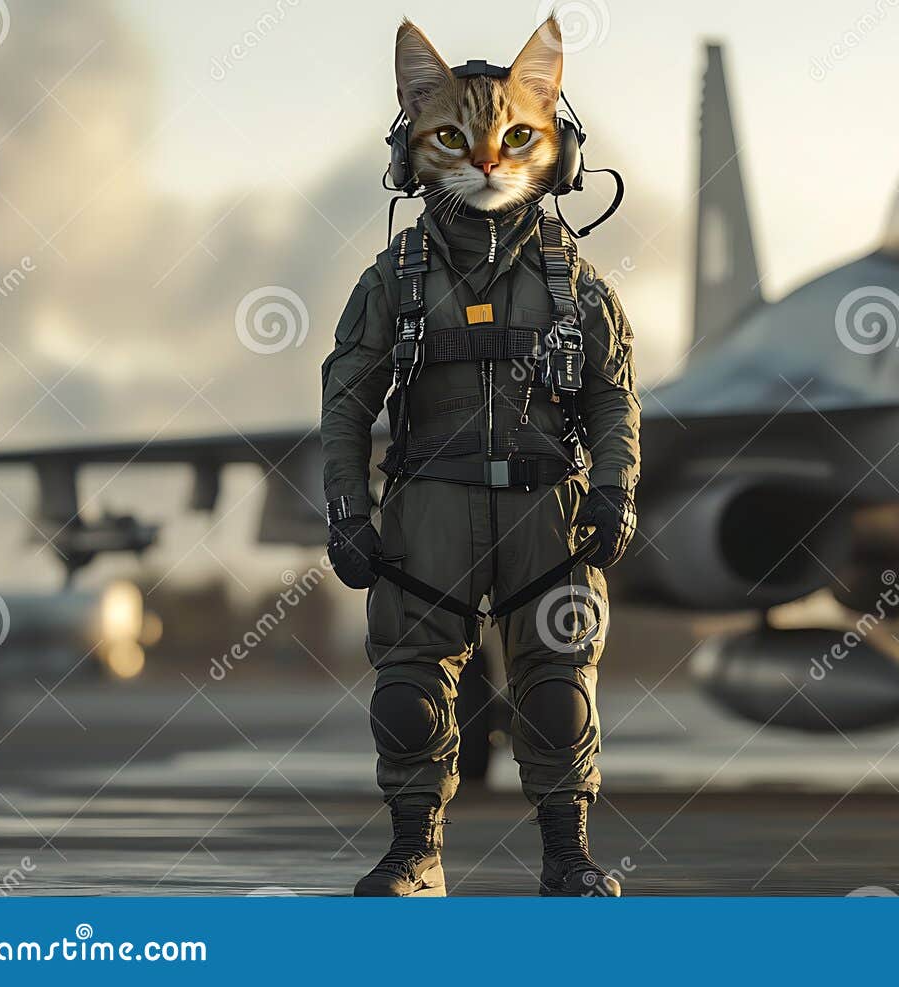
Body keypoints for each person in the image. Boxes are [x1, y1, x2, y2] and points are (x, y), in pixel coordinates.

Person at [319, 17, 639, 896]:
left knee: (556, 689)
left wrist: (615, 490)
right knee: (410, 694)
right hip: (431, 509)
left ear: (559, 152)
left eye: (518, 137)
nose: (490, 160)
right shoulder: (396, 278)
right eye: (458, 138)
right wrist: (347, 510)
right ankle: (414, 852)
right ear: (410, 148)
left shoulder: (579, 283)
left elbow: (613, 396)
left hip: (550, 511)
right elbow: (346, 402)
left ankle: (568, 856)